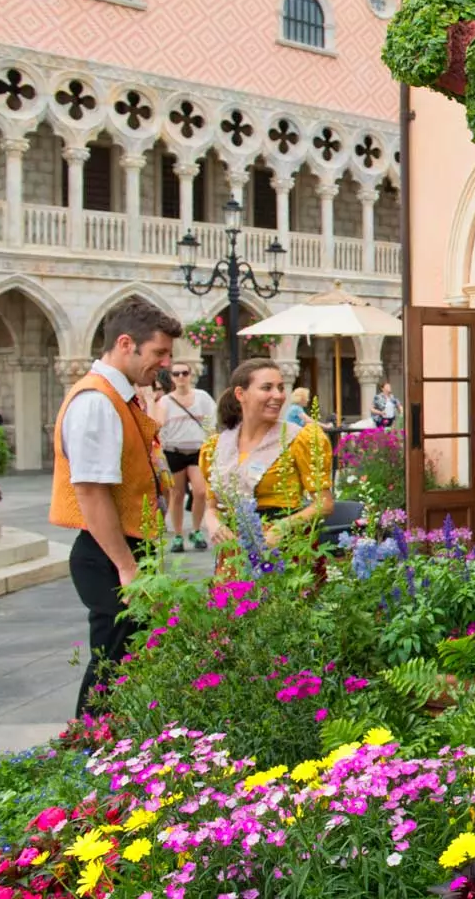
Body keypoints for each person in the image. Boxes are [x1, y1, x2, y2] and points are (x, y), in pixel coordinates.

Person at [49, 298, 180, 719]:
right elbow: (90, 492)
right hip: (108, 552)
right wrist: (126, 566)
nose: (163, 364)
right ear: (126, 343)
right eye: (159, 353)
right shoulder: (96, 401)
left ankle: (110, 747)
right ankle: (87, 748)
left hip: (124, 546)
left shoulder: (120, 397)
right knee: (112, 658)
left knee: (127, 653)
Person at [200, 359, 333, 571]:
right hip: (234, 553)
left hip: (284, 551)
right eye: (267, 388)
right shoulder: (215, 446)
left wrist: (282, 527)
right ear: (240, 394)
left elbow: (324, 503)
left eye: (281, 387)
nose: (278, 395)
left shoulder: (301, 439)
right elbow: (210, 506)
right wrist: (213, 523)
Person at [154, 360, 216, 553]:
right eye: (176, 374)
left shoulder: (202, 397)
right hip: (174, 451)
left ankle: (196, 530)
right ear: (171, 378)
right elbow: (159, 423)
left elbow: (212, 420)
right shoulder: (165, 401)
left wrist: (211, 441)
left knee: (200, 491)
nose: (181, 377)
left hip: (197, 450)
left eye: (185, 373)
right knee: (177, 494)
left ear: (191, 375)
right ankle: (178, 534)